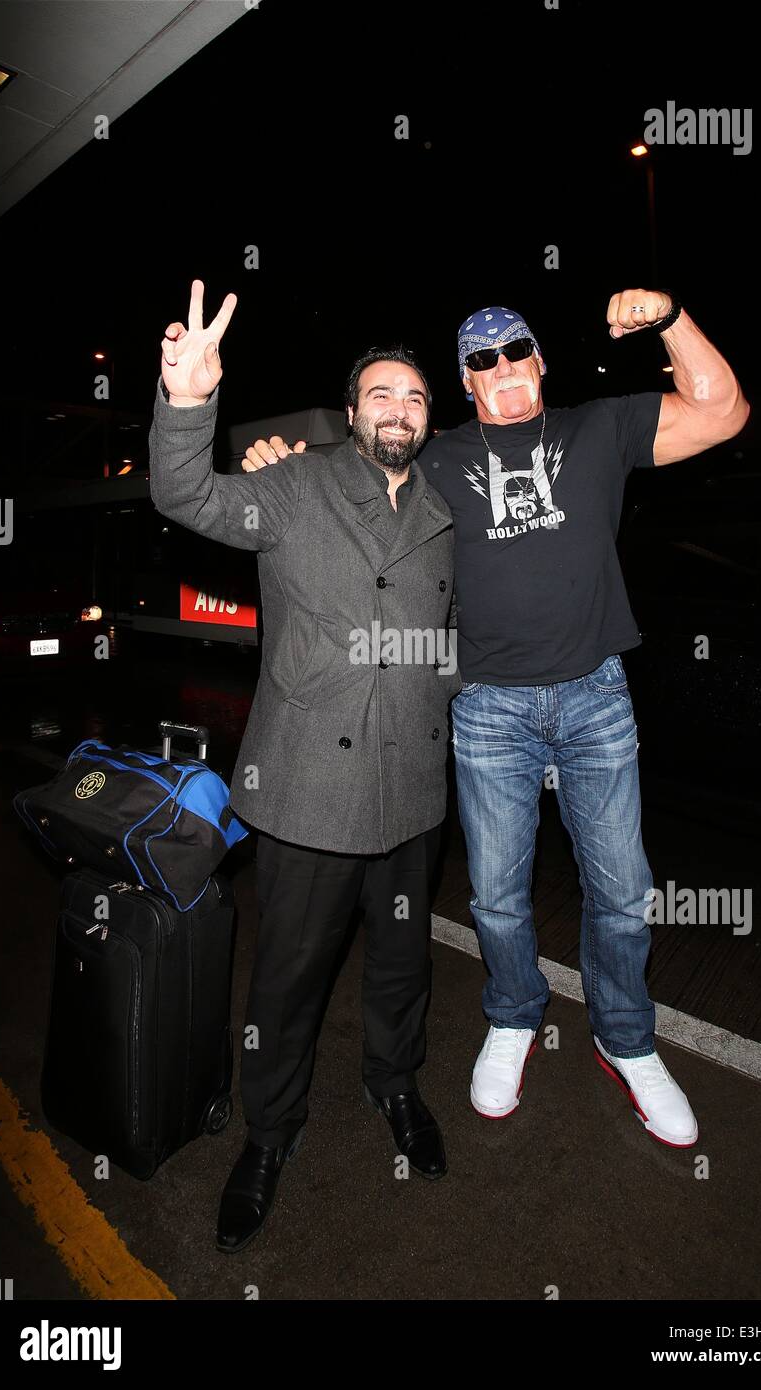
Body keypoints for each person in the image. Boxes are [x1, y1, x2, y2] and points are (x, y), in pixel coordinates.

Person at [241, 287, 750, 1148]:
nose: (502, 368)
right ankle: (514, 1017)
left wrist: (669, 322)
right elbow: (341, 475)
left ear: (541, 362)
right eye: (481, 361)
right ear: (465, 384)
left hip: (594, 697)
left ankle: (626, 1042)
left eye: (517, 351)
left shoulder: (600, 428)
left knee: (623, 895)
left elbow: (723, 412)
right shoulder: (434, 458)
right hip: (485, 709)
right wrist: (274, 456)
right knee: (500, 900)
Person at [148, 280, 461, 1253]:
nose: (397, 408)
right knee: (284, 986)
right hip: (308, 795)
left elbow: (454, 635)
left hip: (410, 795)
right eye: (379, 393)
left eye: (411, 396)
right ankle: (268, 1137)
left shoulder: (450, 509)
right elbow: (184, 493)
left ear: (425, 415)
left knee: (400, 970)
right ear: (350, 410)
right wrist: (187, 402)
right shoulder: (294, 483)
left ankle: (393, 1085)